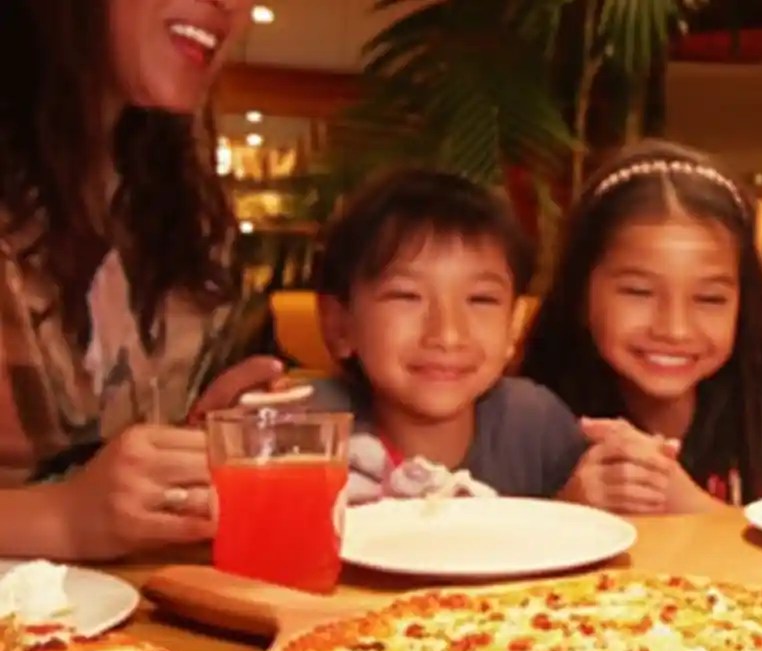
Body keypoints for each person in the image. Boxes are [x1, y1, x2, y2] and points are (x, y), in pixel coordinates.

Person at [0, 0, 288, 561]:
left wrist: (191, 438)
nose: (233, 6)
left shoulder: (175, 205)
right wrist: (60, 518)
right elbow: (76, 506)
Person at [519, 140, 762, 515]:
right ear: (581, 293)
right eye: (639, 291)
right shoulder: (524, 423)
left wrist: (688, 505)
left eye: (710, 299)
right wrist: (567, 509)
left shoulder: (756, 426)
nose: (675, 329)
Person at [310, 168, 586, 501]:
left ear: (513, 325)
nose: (447, 334)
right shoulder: (311, 433)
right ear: (339, 324)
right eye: (406, 296)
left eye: (481, 299)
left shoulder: (535, 426)